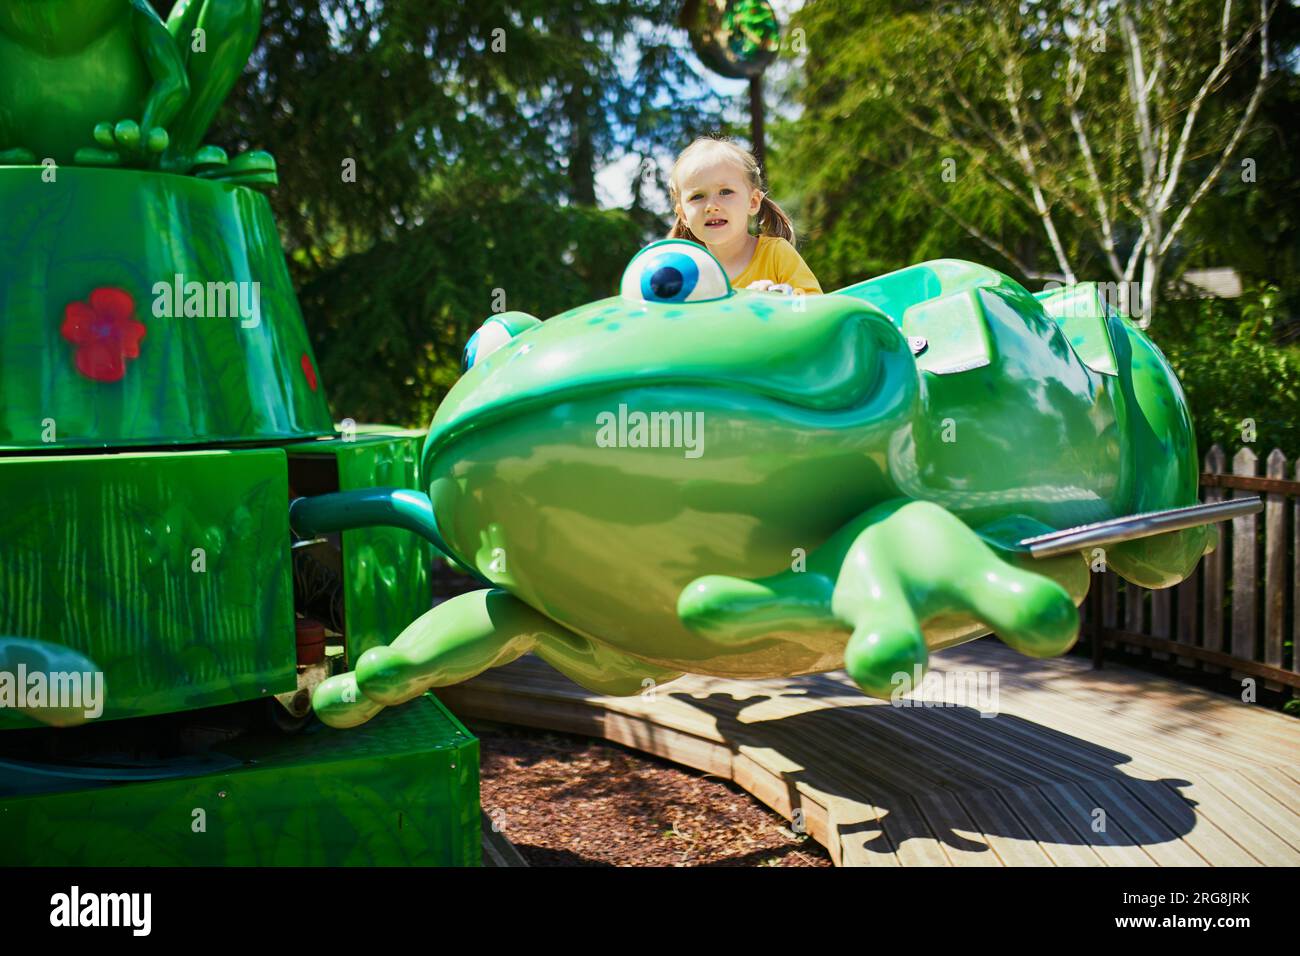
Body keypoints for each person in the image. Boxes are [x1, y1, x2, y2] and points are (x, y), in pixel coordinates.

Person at [667, 137, 822, 295]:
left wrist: (778, 298)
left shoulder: (776, 254)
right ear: (683, 215)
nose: (711, 206)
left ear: (753, 202)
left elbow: (814, 306)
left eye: (725, 192)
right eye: (697, 196)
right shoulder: (686, 276)